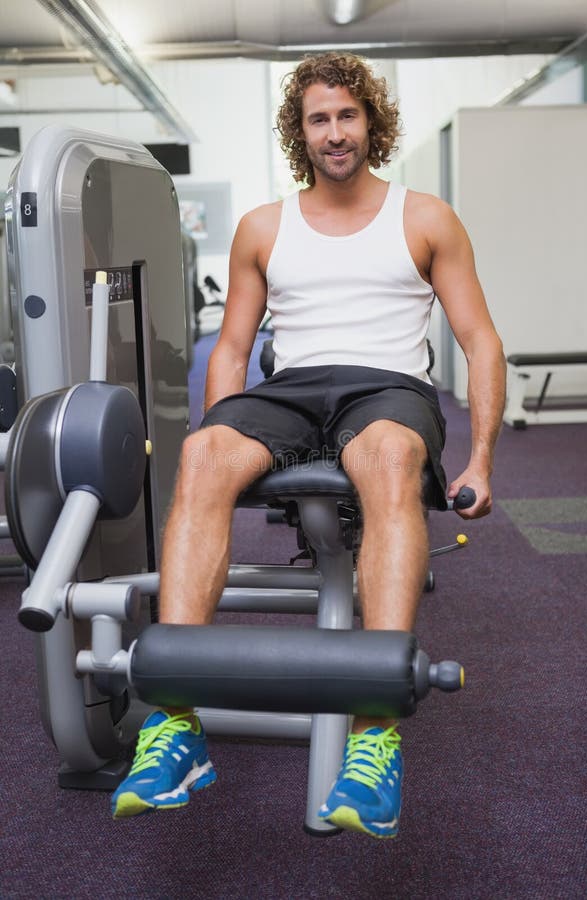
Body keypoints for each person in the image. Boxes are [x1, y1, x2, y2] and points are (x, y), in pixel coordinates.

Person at [111, 52, 506, 838]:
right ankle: (177, 725)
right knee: (202, 455)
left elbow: (480, 340)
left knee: (389, 455)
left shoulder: (425, 217)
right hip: (290, 390)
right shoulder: (264, 226)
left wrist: (482, 458)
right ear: (301, 131)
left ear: (372, 123)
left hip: (387, 386)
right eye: (319, 118)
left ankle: (376, 737)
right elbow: (230, 348)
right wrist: (221, 434)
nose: (335, 132)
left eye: (348, 115)